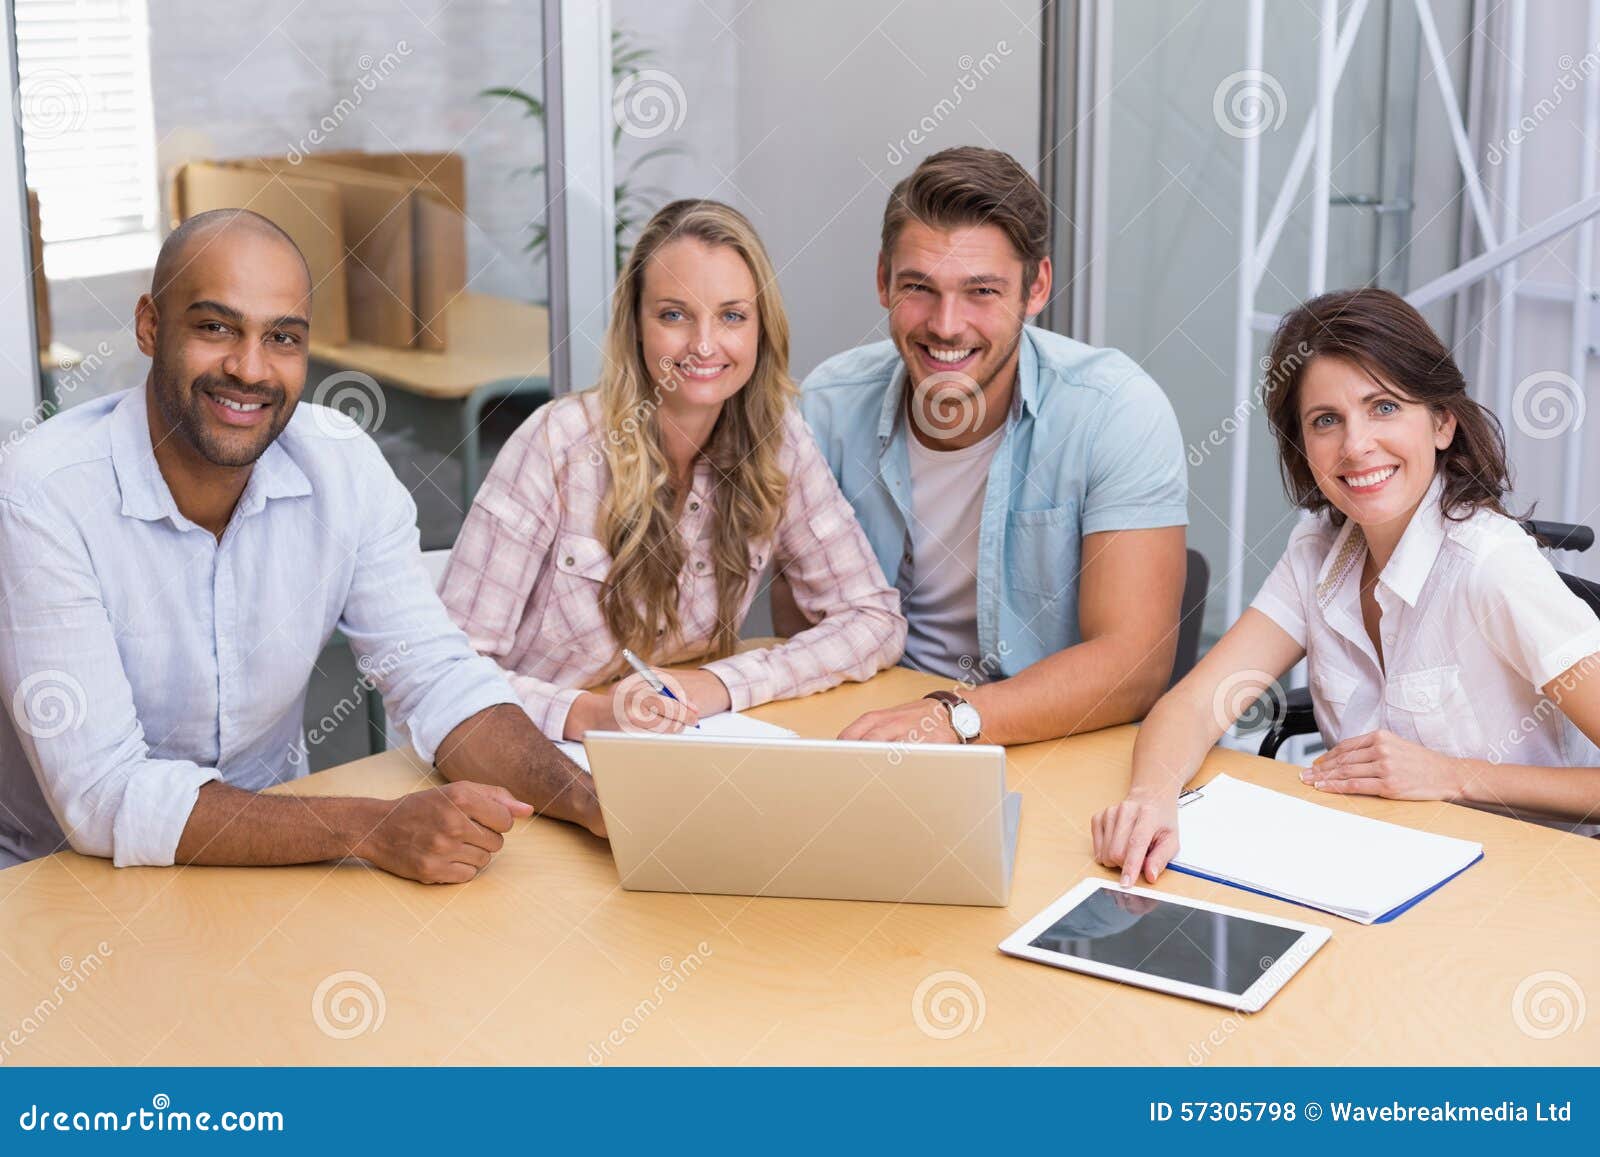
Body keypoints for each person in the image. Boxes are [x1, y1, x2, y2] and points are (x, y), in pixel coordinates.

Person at [0, 209, 603, 880]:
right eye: (215, 327)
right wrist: (370, 829)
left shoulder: (342, 465)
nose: (249, 368)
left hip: (276, 862)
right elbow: (102, 794)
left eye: (282, 337)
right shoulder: (41, 494)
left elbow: (439, 680)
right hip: (58, 884)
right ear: (150, 326)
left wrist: (592, 802)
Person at [1094, 288, 1600, 887]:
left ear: (1442, 422)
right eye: (1326, 421)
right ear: (1303, 448)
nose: (1356, 446)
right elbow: (1195, 703)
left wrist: (1452, 775)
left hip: (1522, 889)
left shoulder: (1493, 567)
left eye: (1384, 407)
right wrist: (1152, 798)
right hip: (1372, 870)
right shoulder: (1319, 550)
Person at [440, 199, 905, 739]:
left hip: (683, 748)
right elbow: (449, 670)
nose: (704, 345)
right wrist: (588, 714)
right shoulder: (558, 444)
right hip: (540, 754)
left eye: (732, 315)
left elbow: (874, 620)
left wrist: (721, 684)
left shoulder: (778, 441)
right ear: (636, 325)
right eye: (674, 315)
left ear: (761, 328)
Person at [777, 146, 1189, 747]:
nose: (946, 325)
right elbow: (802, 617)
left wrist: (951, 717)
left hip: (1051, 741)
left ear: (1037, 286)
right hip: (870, 731)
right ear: (882, 281)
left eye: (982, 292)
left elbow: (1134, 664)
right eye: (919, 286)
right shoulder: (830, 406)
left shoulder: (1114, 412)